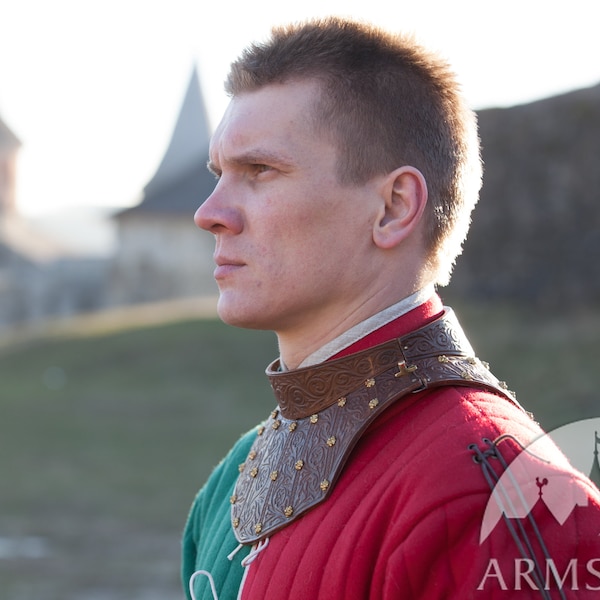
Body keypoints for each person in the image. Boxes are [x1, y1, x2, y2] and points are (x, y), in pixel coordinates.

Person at [182, 17, 600, 599]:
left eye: (260, 171)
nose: (210, 212)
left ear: (393, 208)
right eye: (219, 173)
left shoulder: (503, 499)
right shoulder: (236, 476)